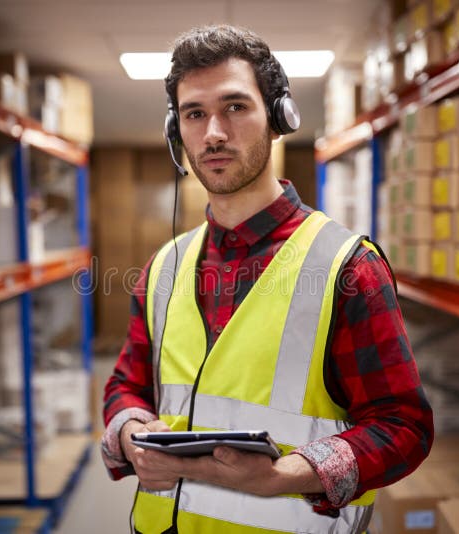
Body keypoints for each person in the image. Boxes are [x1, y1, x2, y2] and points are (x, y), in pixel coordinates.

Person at [102, 24, 433, 534]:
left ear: (279, 117)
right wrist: (131, 435)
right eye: (194, 114)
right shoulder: (164, 266)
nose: (213, 132)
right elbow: (127, 384)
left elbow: (403, 427)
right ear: (177, 132)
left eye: (235, 107)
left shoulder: (346, 266)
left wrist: (285, 475)